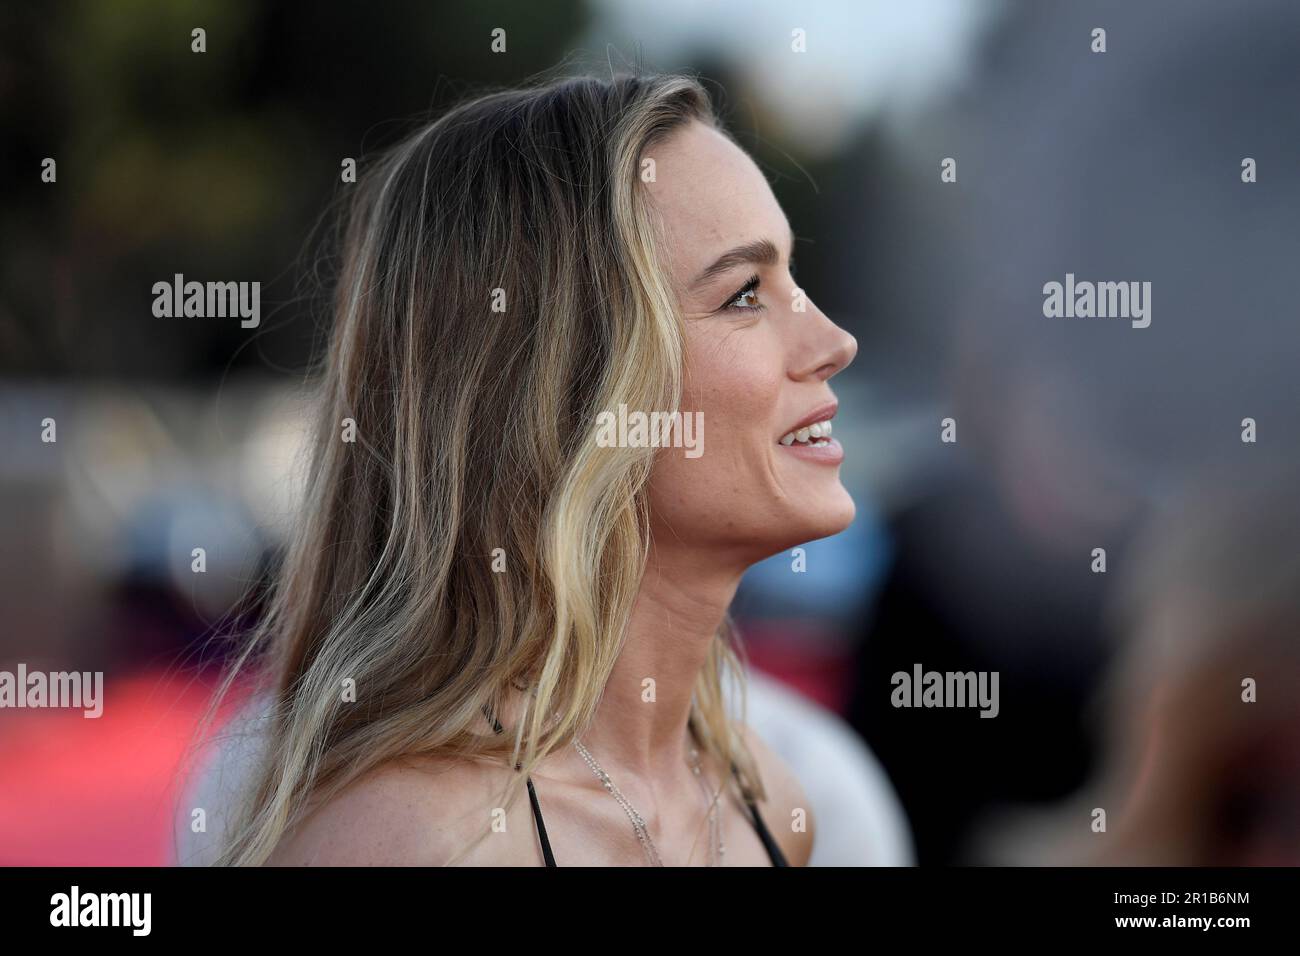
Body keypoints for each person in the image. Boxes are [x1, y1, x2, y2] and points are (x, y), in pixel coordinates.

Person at [180, 72, 860, 866]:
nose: (834, 341)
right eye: (745, 293)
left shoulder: (766, 803)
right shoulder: (413, 843)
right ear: (567, 388)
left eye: (793, 280)